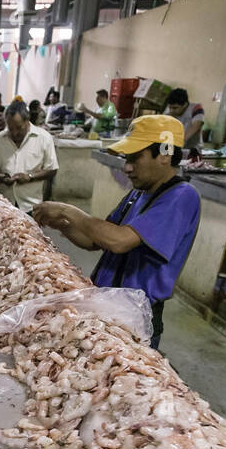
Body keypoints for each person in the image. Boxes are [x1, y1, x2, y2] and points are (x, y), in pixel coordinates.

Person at [32, 114, 200, 350]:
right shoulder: (138, 193)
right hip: (105, 305)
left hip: (134, 319)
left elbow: (119, 241)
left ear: (164, 154)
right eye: (126, 158)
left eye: (135, 158)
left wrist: (68, 211)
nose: (127, 167)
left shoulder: (181, 196)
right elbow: (94, 240)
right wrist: (60, 223)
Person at [0, 100, 58, 213]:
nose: (14, 133)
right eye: (11, 128)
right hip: (4, 204)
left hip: (31, 206)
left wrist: (29, 176)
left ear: (27, 121)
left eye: (19, 128)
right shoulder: (0, 139)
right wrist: (4, 178)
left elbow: (52, 169)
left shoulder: (44, 138)